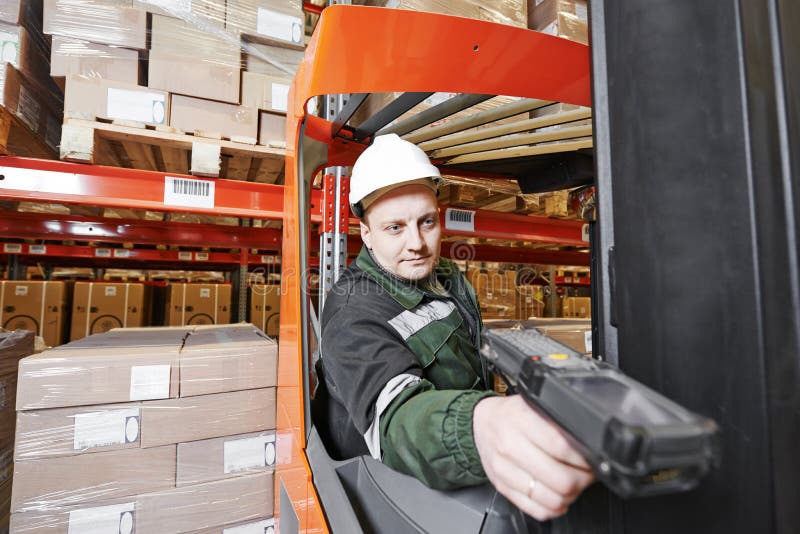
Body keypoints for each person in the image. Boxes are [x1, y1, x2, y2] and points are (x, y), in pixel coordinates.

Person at [318, 133, 594, 521]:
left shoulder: (445, 275)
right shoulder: (352, 313)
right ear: (366, 232)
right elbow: (397, 420)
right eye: (395, 228)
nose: (417, 243)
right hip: (402, 496)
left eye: (426, 222)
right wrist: (480, 426)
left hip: (466, 469)